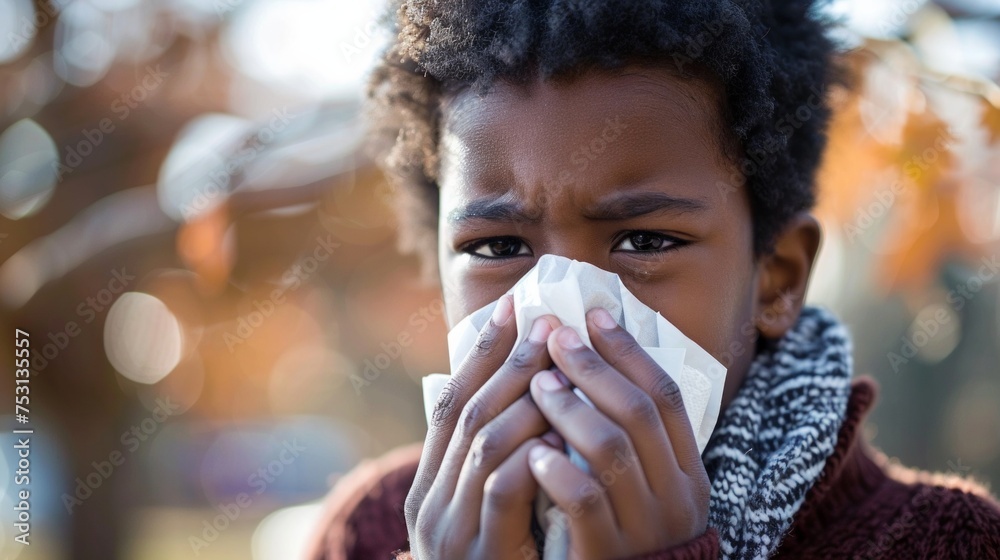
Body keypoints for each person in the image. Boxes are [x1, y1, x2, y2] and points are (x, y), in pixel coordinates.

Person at [307, 0, 1000, 557]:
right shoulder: (370, 531)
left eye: (644, 241)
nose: (562, 323)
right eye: (497, 247)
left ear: (777, 279)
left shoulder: (939, 540)